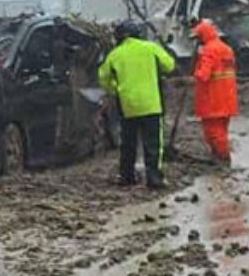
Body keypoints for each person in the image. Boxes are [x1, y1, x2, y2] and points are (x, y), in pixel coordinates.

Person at [99, 20, 177, 188]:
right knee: (153, 144)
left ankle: (127, 176)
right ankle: (154, 178)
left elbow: (103, 78)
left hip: (128, 105)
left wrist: (115, 89)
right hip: (151, 103)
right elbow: (169, 66)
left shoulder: (115, 54)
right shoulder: (150, 47)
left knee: (128, 142)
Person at [190, 19, 239, 164]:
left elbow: (203, 75)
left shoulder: (208, 51)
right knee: (222, 131)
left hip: (212, 99)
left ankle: (223, 159)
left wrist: (195, 70)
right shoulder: (226, 49)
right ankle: (221, 157)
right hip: (228, 98)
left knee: (213, 133)